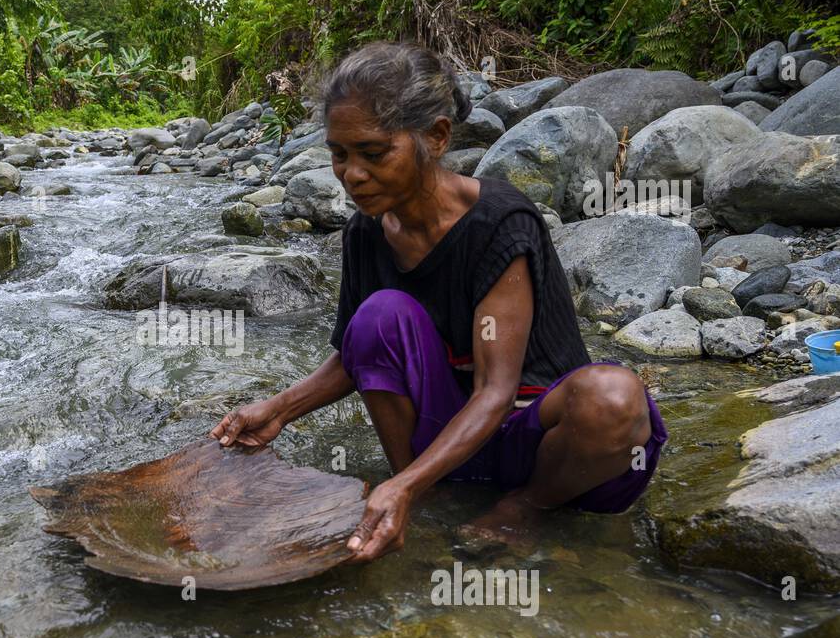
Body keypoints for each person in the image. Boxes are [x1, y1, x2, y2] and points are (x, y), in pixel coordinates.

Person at [209, 41, 667, 563]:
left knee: (613, 397)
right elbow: (353, 355)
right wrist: (277, 410)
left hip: (545, 452)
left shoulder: (499, 223)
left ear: (436, 137)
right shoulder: (365, 232)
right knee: (377, 316)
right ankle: (428, 495)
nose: (352, 174)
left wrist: (402, 483)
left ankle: (522, 508)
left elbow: (496, 393)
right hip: (453, 447)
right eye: (340, 154)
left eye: (374, 153)